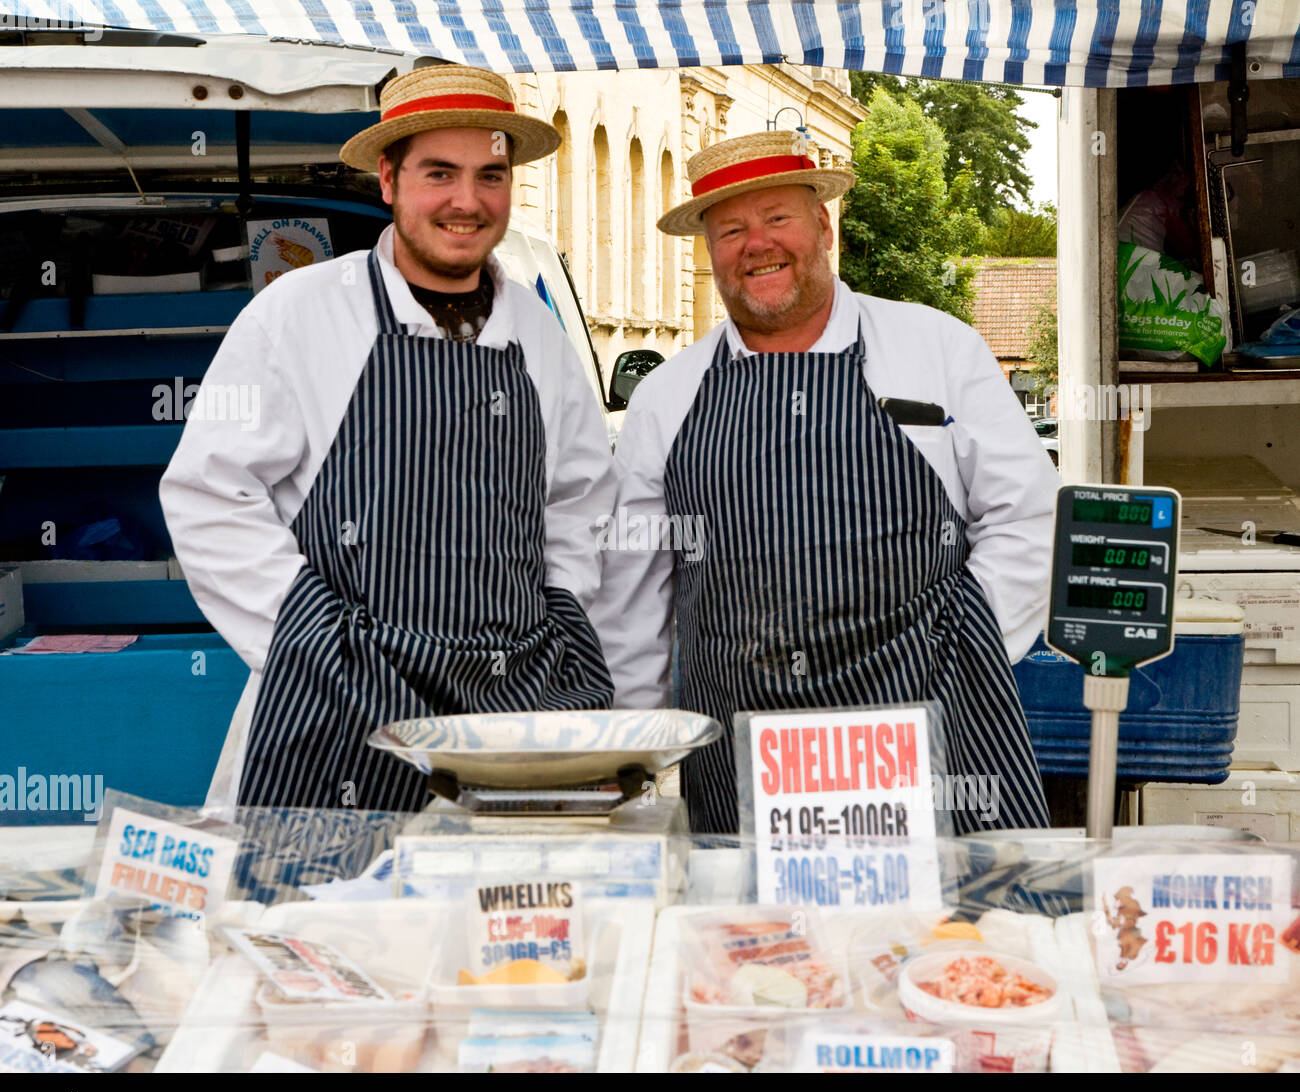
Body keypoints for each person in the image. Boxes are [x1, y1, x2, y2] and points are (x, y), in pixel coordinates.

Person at [160, 65, 615, 812]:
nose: (467, 201)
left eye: (490, 176)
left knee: (497, 886)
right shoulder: (298, 314)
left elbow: (579, 502)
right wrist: (314, 639)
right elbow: (209, 495)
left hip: (509, 711)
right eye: (439, 173)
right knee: (317, 889)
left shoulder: (539, 335)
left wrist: (559, 616)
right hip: (336, 703)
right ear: (388, 181)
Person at [595, 130, 1055, 835]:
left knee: (957, 907)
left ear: (823, 227)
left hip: (932, 729)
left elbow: (1029, 517)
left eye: (777, 217)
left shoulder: (937, 348)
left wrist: (962, 646)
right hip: (748, 756)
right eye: (731, 230)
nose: (757, 244)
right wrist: (628, 755)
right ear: (710, 250)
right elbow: (633, 594)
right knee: (758, 911)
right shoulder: (667, 398)